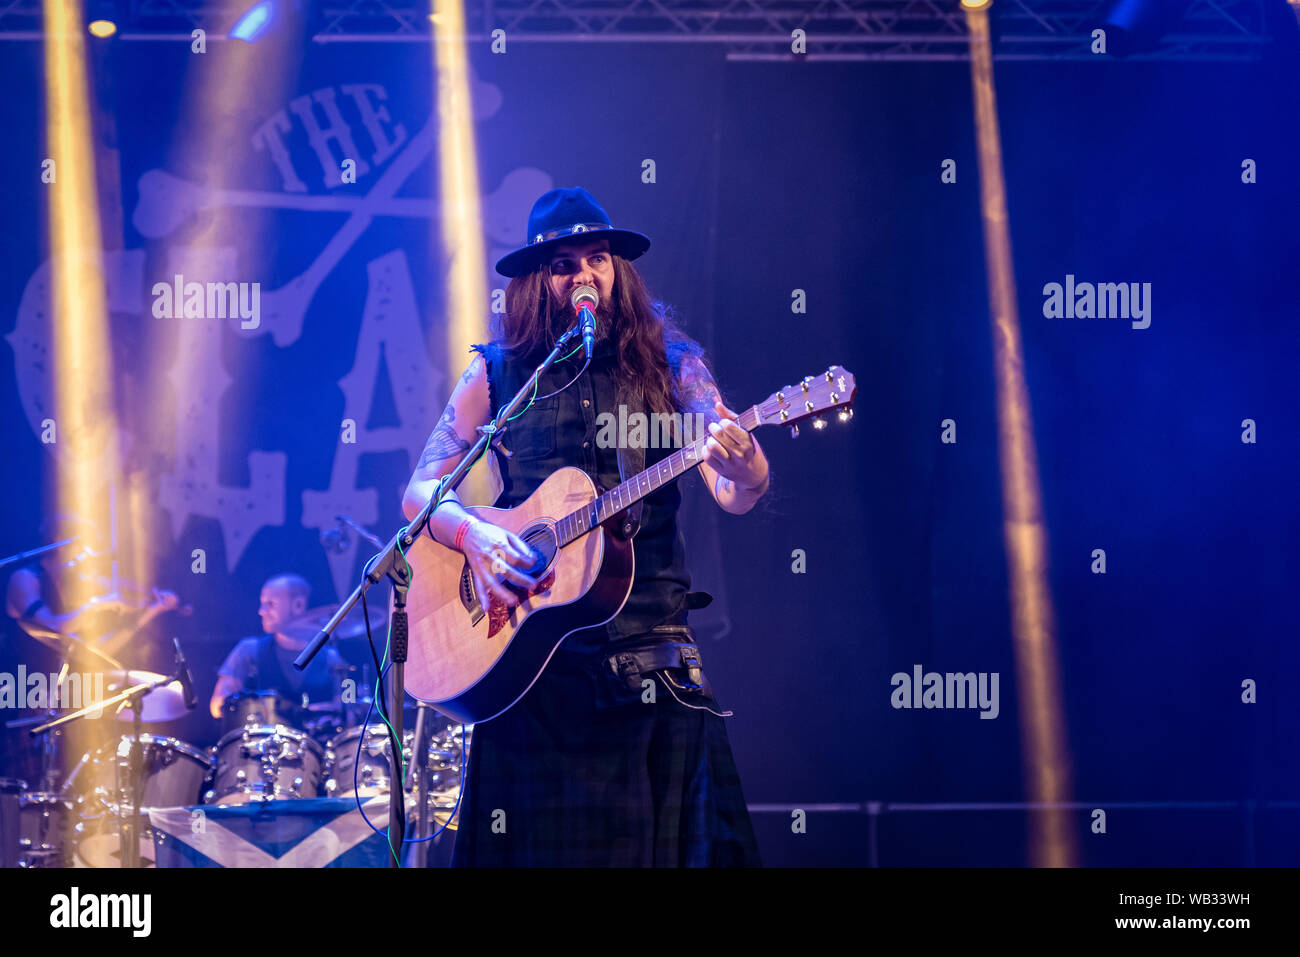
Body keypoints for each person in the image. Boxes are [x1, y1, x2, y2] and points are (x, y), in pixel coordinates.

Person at [402, 187, 769, 866]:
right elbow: (421, 490)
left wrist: (747, 467)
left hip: (653, 672)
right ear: (539, 281)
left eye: (597, 257)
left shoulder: (674, 362)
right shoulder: (500, 371)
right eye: (565, 263)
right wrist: (474, 535)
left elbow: (731, 488)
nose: (585, 275)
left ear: (617, 269)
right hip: (535, 674)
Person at [209, 574, 348, 719]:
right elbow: (216, 707)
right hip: (260, 739)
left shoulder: (331, 657)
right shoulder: (248, 650)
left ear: (298, 605)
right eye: (262, 603)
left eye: (270, 604)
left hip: (315, 740)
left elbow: (346, 711)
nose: (261, 611)